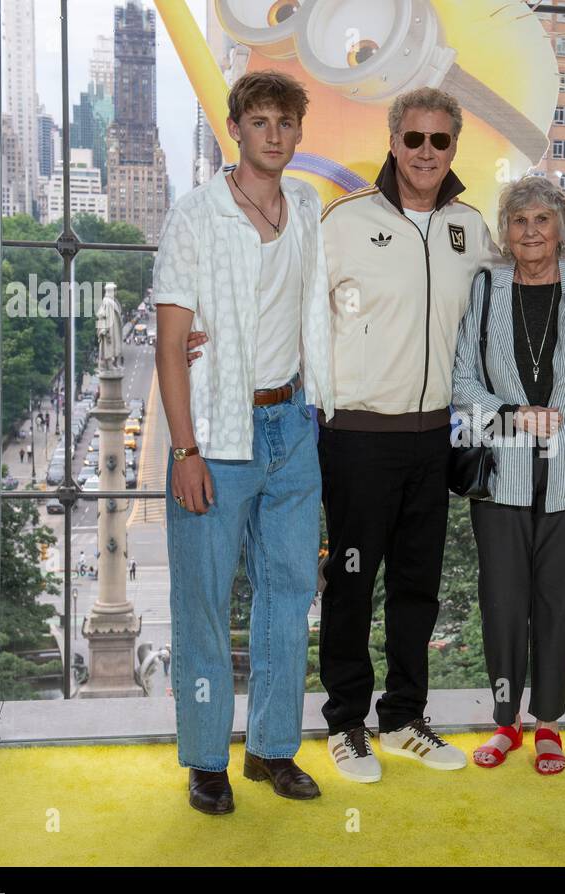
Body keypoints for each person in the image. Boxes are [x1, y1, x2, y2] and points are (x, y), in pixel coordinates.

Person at [153, 71, 334, 815]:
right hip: (218, 434)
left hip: (291, 425)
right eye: (259, 121)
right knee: (201, 603)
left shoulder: (308, 205)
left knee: (290, 596)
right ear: (235, 129)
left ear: (297, 131)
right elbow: (170, 345)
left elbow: (314, 306)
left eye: (285, 123)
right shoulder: (195, 215)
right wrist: (185, 450)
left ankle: (270, 749)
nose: (274, 134)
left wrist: (318, 404)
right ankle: (205, 759)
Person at [314, 88, 496, 783]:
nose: (426, 153)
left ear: (454, 147)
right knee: (354, 584)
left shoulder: (470, 229)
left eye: (439, 141)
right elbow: (301, 313)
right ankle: (344, 723)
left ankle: (403, 718)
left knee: (418, 585)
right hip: (358, 437)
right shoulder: (343, 223)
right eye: (414, 139)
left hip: (436, 439)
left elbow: (493, 322)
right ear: (393, 142)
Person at [452, 175, 565, 775]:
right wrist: (513, 415)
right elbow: (463, 382)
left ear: (563, 230)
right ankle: (506, 723)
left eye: (543, 220)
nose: (531, 231)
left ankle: (548, 724)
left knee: (557, 603)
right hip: (503, 475)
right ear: (504, 233)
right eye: (519, 220)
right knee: (502, 603)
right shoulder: (487, 290)